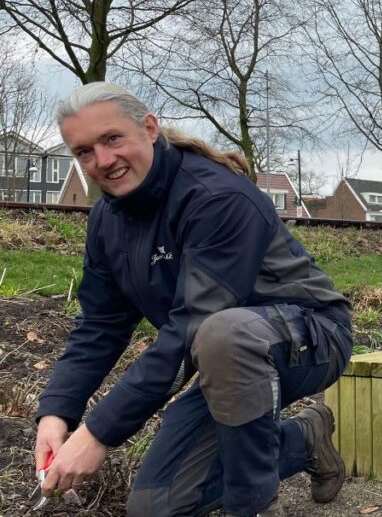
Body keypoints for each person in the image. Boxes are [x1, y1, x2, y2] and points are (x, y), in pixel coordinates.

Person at [34, 83, 354, 517]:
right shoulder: (108, 219)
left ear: (149, 128)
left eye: (112, 139)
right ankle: (301, 439)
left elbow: (190, 329)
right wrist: (56, 413)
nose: (103, 161)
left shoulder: (216, 197)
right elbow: (100, 326)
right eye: (85, 151)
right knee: (154, 507)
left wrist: (97, 435)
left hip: (311, 338)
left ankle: (253, 505)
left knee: (223, 333)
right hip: (224, 358)